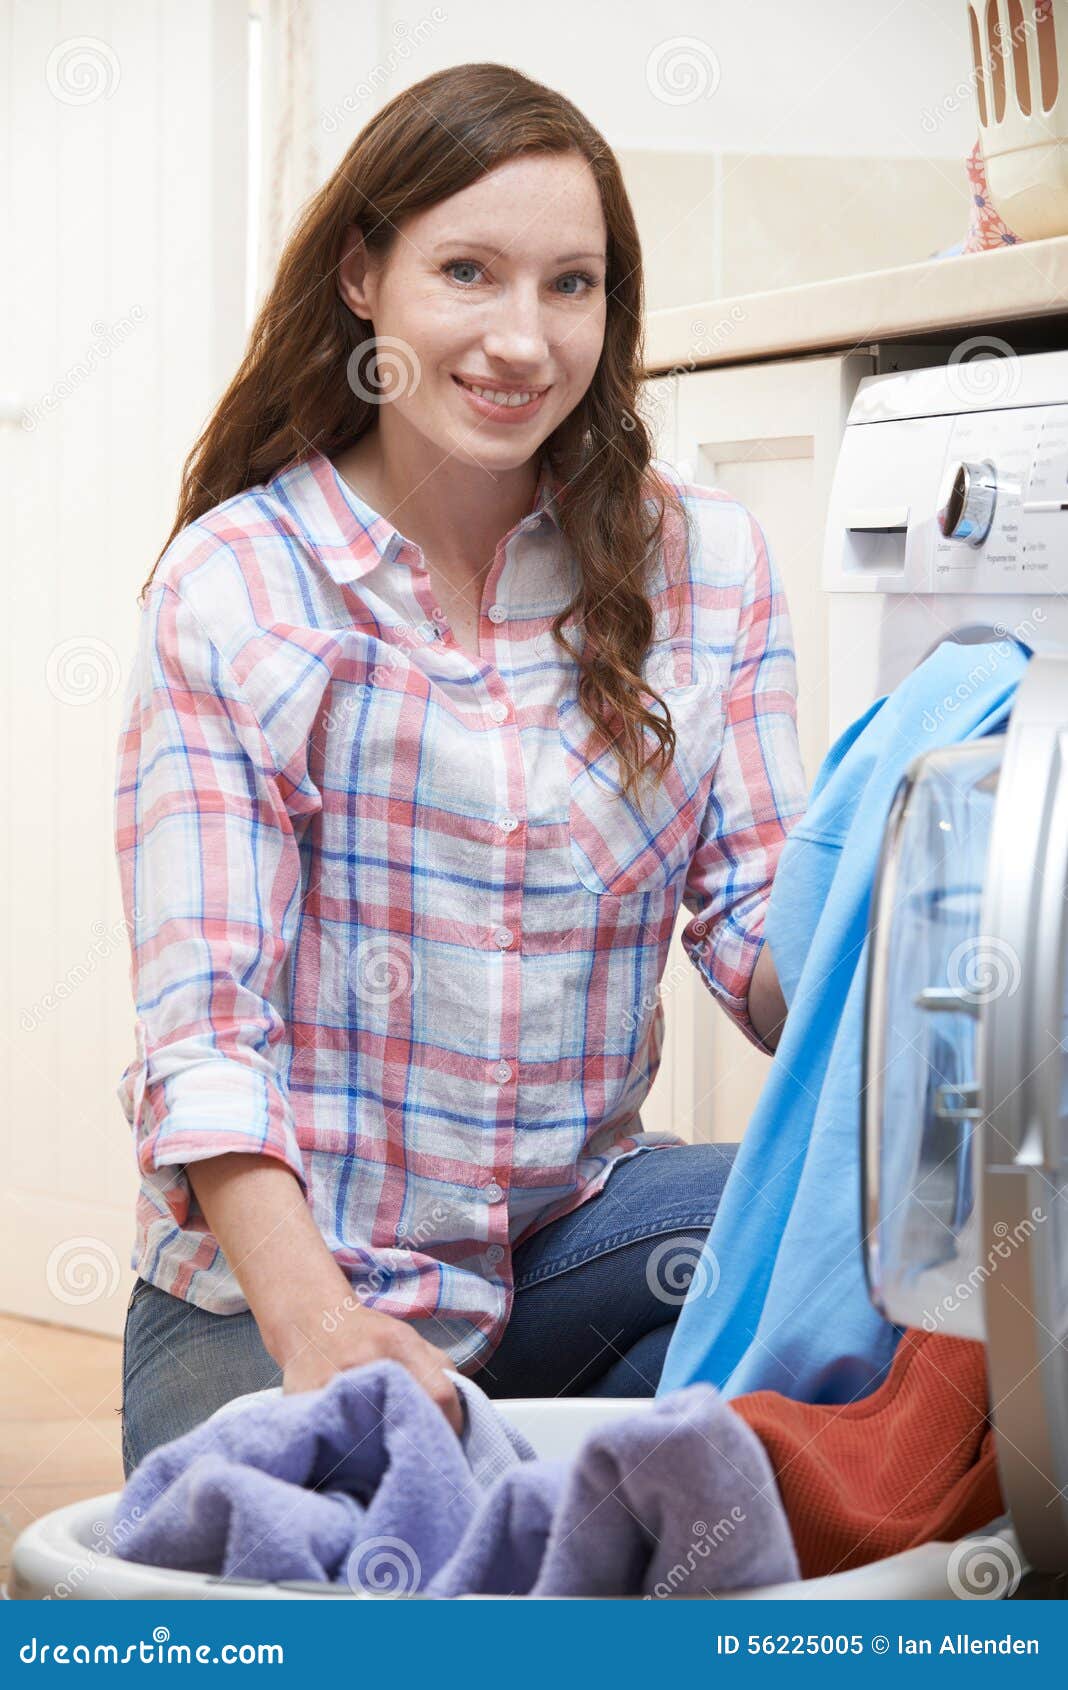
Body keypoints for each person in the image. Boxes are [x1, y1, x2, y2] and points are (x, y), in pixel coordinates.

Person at [116, 61, 807, 1479]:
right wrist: (319, 1331)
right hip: (278, 1272)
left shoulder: (706, 561)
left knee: (811, 1279)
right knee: (303, 1536)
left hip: (570, 1238)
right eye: (469, 272)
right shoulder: (241, 583)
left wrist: (944, 960)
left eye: (572, 284)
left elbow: (755, 929)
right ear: (364, 278)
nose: (522, 338)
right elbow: (205, 1034)